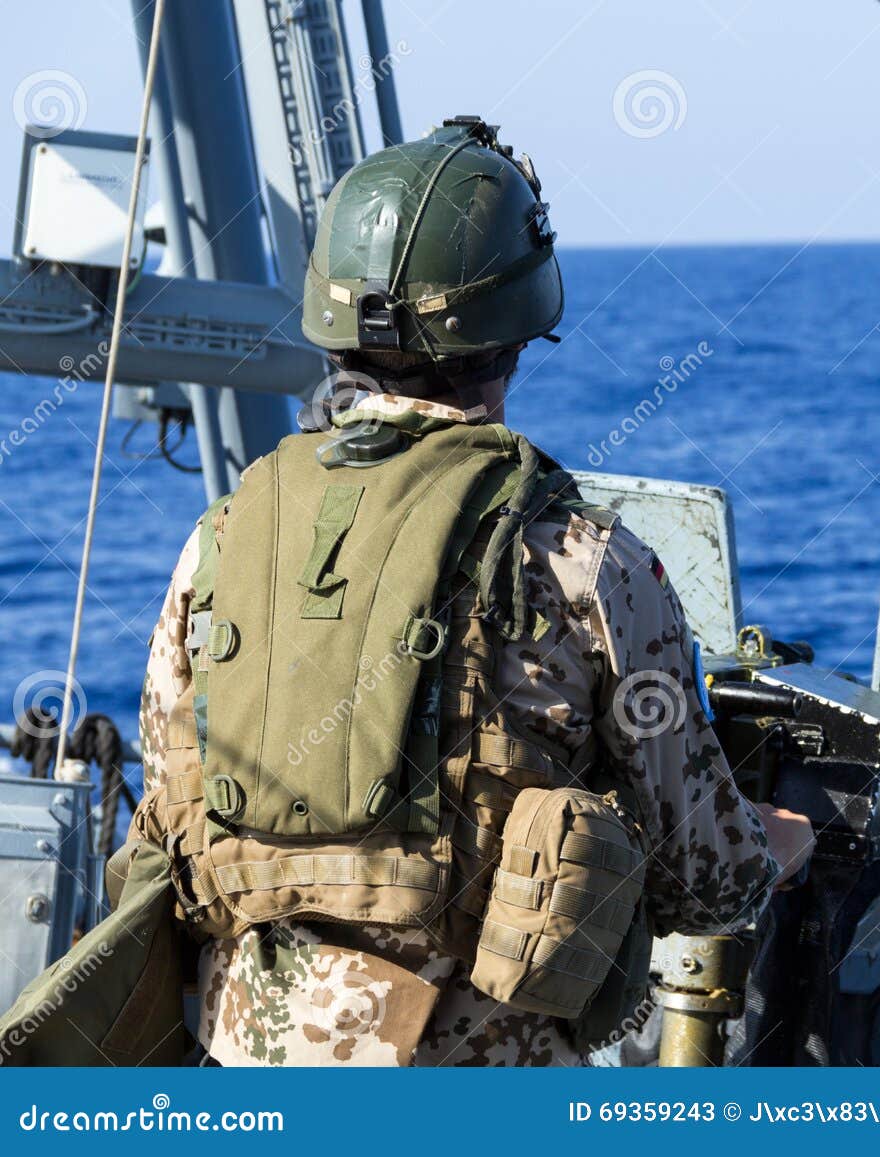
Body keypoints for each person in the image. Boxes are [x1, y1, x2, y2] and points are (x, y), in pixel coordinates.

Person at [131, 116, 814, 1066]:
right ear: (516, 331)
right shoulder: (588, 562)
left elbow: (169, 811)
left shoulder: (216, 543)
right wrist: (773, 846)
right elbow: (701, 880)